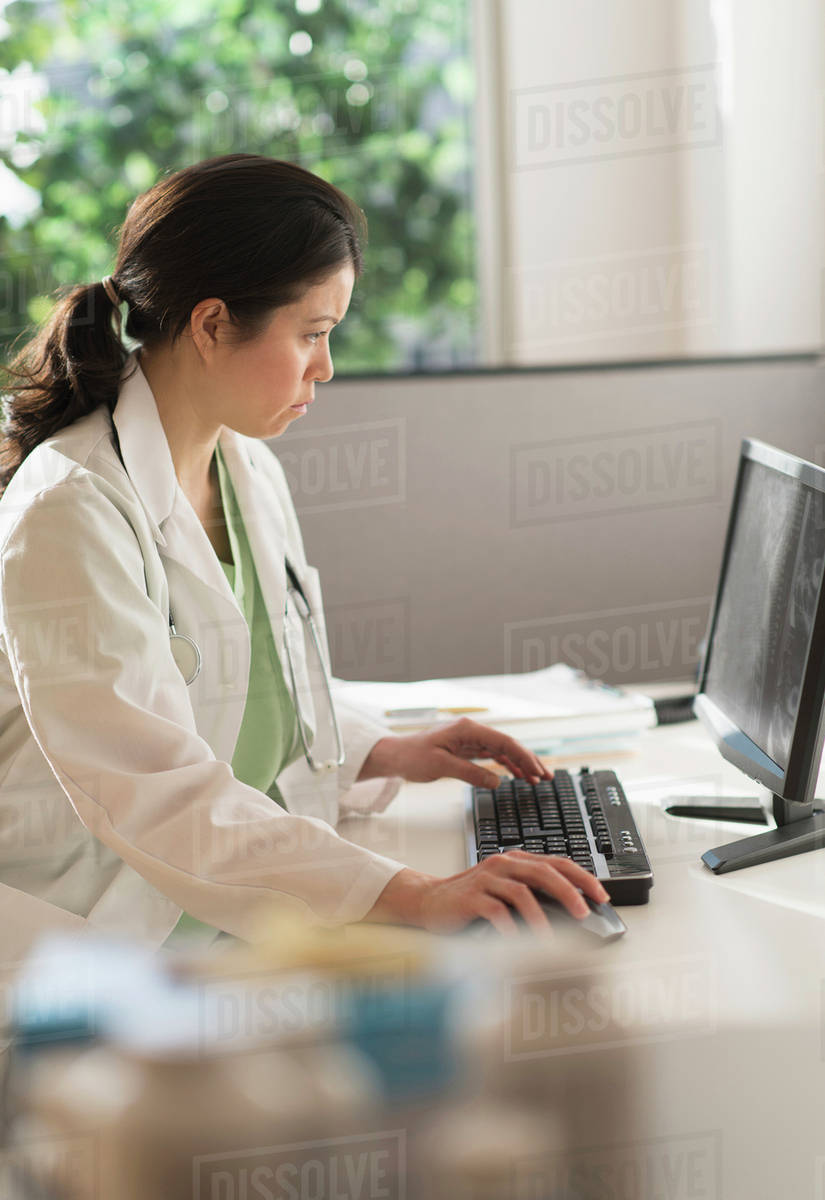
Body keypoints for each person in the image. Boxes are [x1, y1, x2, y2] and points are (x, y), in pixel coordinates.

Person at [0, 153, 607, 953]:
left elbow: (257, 691)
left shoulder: (244, 466)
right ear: (212, 324)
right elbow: (155, 792)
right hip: (106, 948)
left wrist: (380, 750)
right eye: (312, 334)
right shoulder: (67, 511)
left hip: (235, 919)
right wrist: (411, 893)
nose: (324, 366)